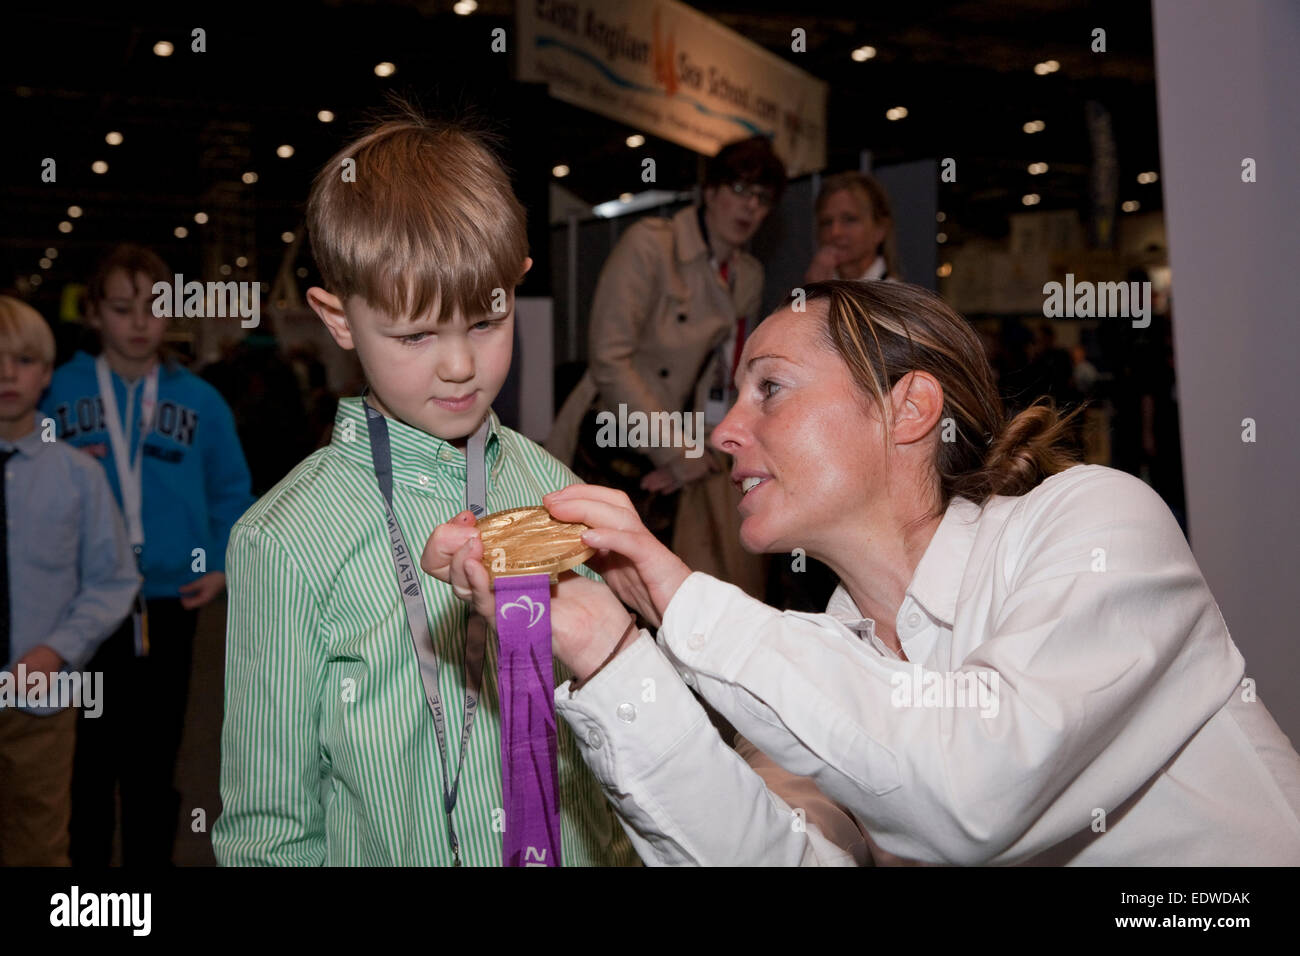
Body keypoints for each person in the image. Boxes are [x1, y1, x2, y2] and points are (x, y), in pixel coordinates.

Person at [431, 278, 1300, 865]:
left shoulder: (1097, 524)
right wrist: (609, 651)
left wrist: (678, 594)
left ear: (909, 407)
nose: (726, 433)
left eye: (769, 388)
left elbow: (977, 783)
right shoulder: (822, 659)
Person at [211, 109, 638, 866]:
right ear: (337, 319)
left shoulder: (557, 492)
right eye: (414, 336)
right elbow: (268, 824)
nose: (459, 366)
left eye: (485, 321)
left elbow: (614, 742)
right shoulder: (283, 539)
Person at [41, 244, 254, 866]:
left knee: (155, 755)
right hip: (76, 607)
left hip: (167, 603)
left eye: (153, 309)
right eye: (122, 308)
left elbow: (231, 492)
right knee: (82, 757)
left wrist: (218, 563)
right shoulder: (57, 391)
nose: (138, 323)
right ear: (94, 314)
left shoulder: (201, 402)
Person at [547, 136, 786, 600]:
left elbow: (726, 376)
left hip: (681, 448)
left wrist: (703, 452)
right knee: (590, 585)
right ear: (711, 191)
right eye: (739, 189)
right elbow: (610, 360)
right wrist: (675, 452)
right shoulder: (651, 245)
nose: (749, 207)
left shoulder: (747, 275)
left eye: (762, 199)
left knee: (662, 592)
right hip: (611, 433)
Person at [0, 296, 139, 866]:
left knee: (38, 842)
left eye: (24, 360)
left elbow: (114, 579)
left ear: (48, 374)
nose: (8, 374)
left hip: (39, 698)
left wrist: (56, 651)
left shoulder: (78, 476)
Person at [804, 171, 901, 283]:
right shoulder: (814, 286)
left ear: (880, 230)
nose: (835, 232)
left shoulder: (893, 297)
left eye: (849, 219)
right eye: (827, 222)